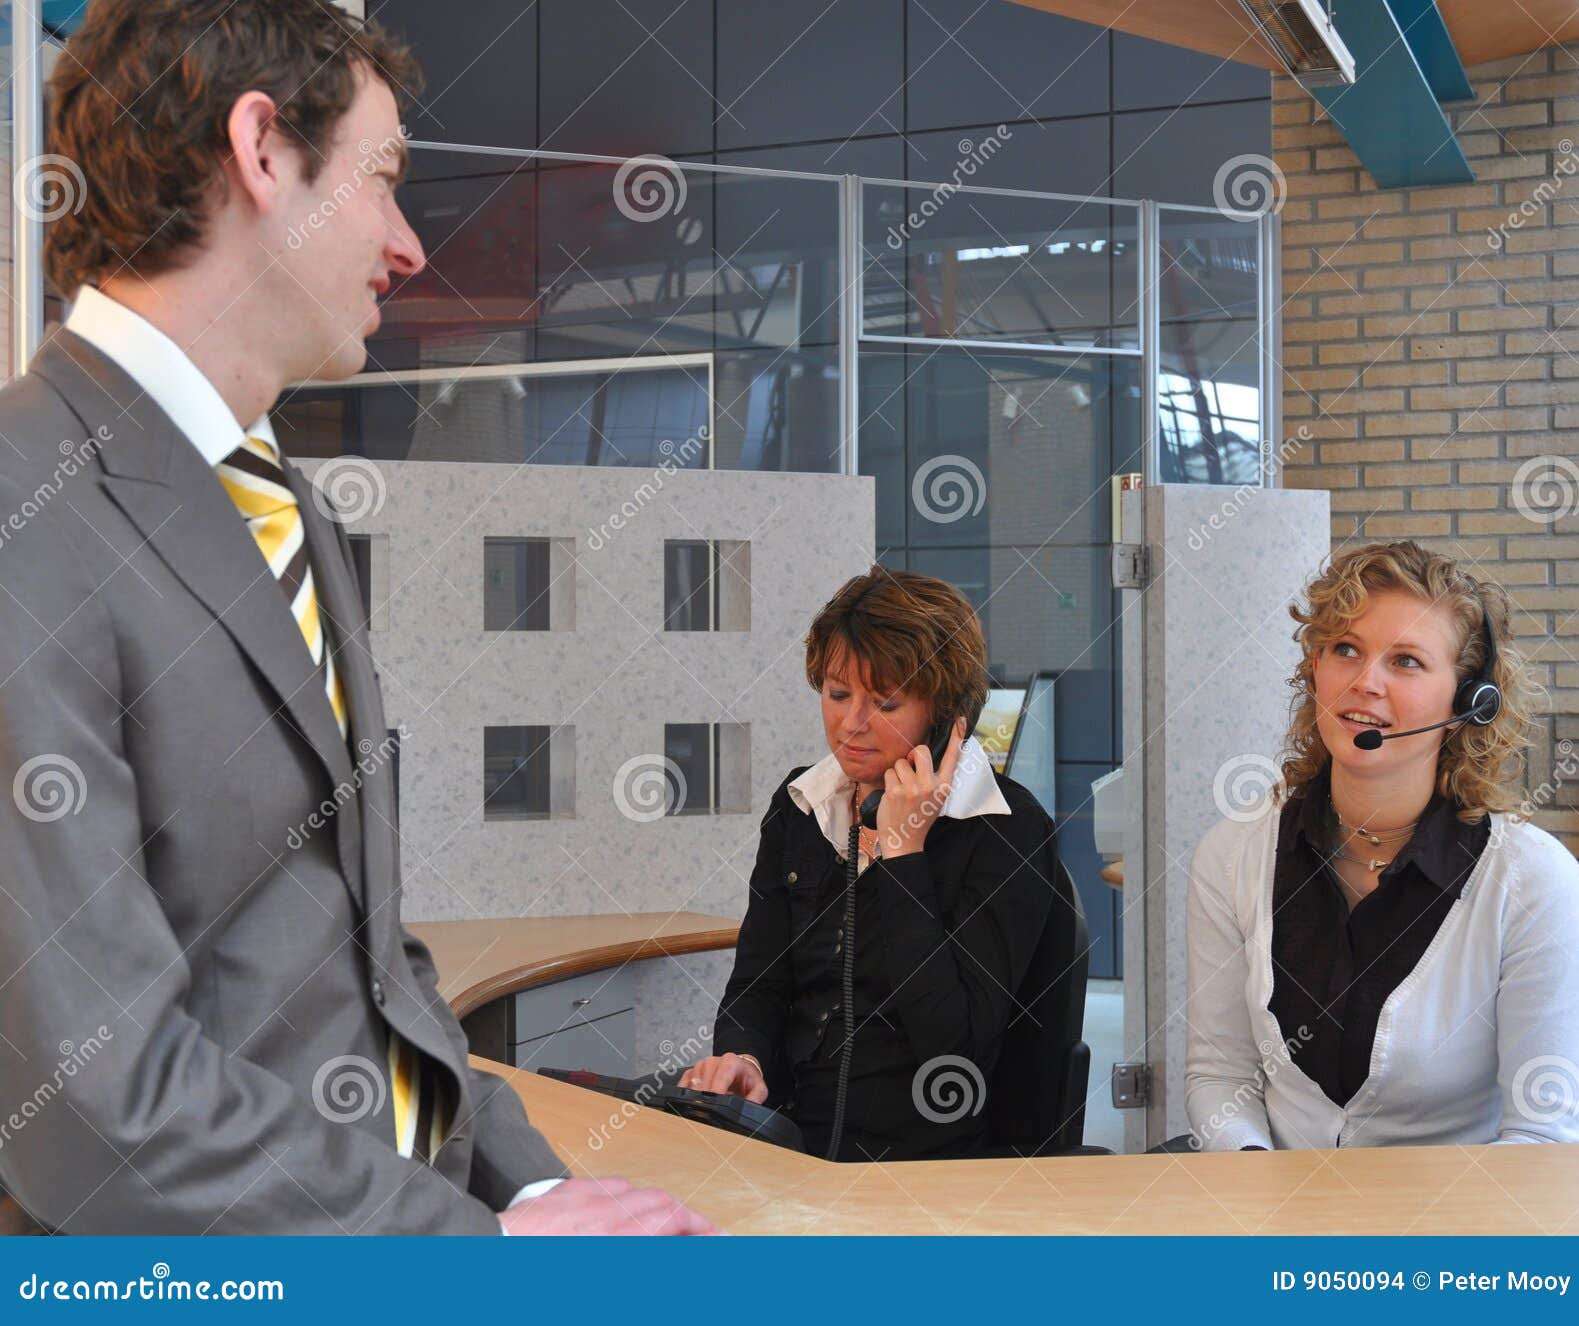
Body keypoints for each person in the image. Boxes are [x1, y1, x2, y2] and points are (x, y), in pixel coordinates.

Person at [0, 0, 713, 1236]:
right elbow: (91, 1109)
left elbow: (361, 956)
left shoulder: (278, 504)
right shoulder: (28, 506)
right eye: (382, 182)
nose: (406, 246)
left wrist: (526, 1180)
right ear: (262, 151)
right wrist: (472, 1253)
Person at [1185, 540, 1579, 1151]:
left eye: (1405, 661)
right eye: (1345, 649)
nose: (1364, 683)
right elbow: (1219, 1077)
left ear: (1467, 703)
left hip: (1459, 1231)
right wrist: (1258, 1191)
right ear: (1314, 670)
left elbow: (1544, 1134)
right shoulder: (1232, 854)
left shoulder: (1533, 881)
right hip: (1273, 1212)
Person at [678, 566, 1058, 1161]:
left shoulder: (1008, 832)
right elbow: (760, 982)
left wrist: (904, 851)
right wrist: (744, 1058)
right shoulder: (801, 805)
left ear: (947, 718)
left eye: (885, 702)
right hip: (785, 1147)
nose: (851, 724)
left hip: (928, 1167)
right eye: (837, 694)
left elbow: (952, 1049)